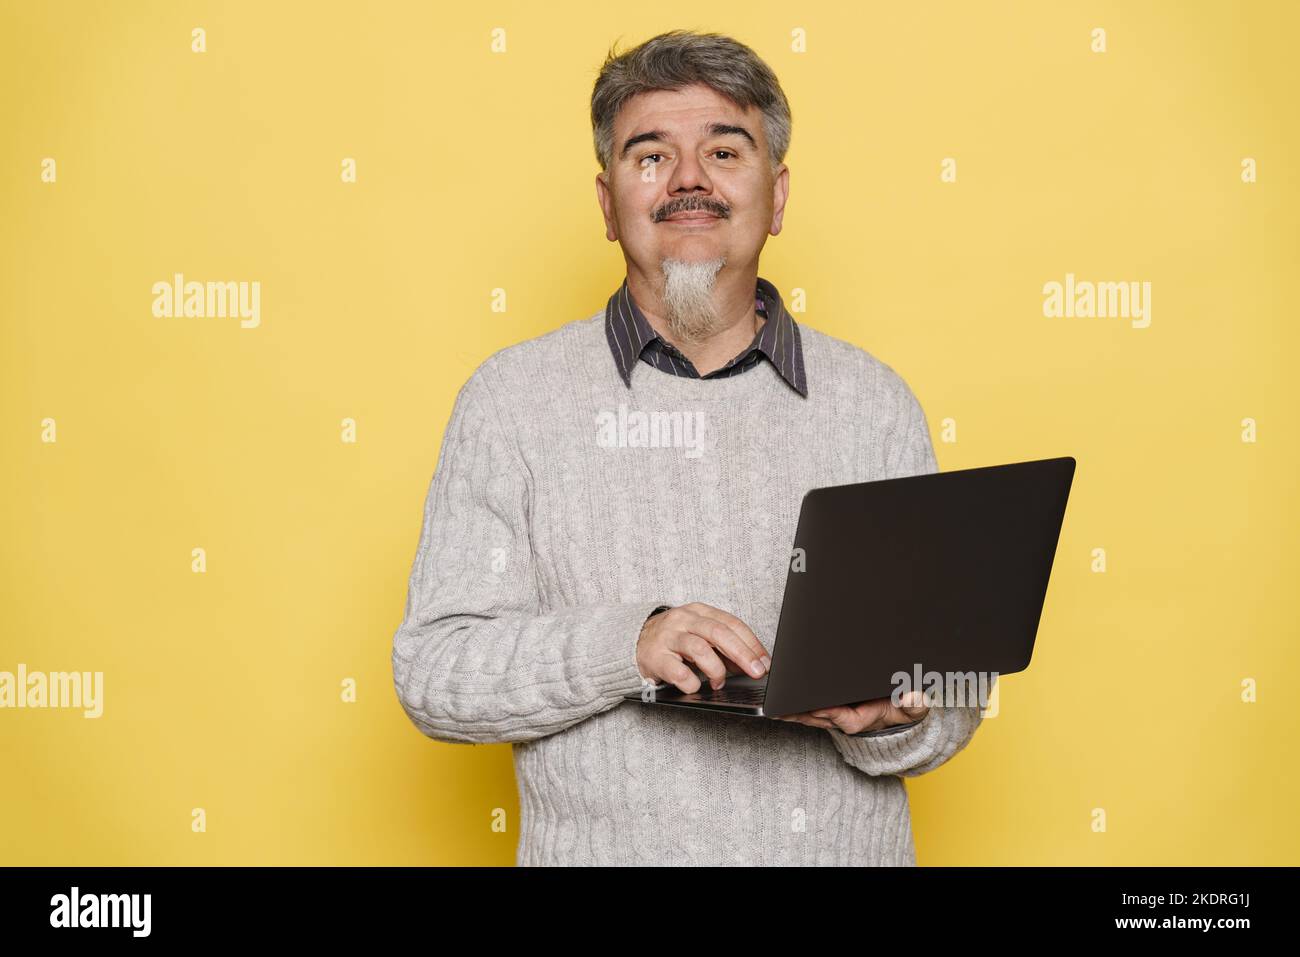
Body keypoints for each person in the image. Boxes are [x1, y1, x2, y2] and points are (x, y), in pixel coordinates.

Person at [391, 29, 984, 866]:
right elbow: (435, 673)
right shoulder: (511, 401)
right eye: (650, 156)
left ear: (776, 197)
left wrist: (895, 719)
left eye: (724, 150)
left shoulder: (875, 405)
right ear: (608, 204)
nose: (689, 181)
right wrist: (625, 647)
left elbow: (957, 693)